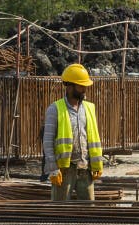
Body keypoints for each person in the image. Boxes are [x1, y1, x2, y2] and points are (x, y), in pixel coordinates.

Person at [43, 63, 104, 201]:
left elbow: (94, 137)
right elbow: (47, 141)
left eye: (85, 86)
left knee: (88, 209)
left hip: (85, 168)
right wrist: (53, 168)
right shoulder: (55, 109)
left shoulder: (89, 108)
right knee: (60, 210)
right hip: (64, 170)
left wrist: (97, 164)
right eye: (81, 86)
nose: (84, 89)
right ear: (69, 86)